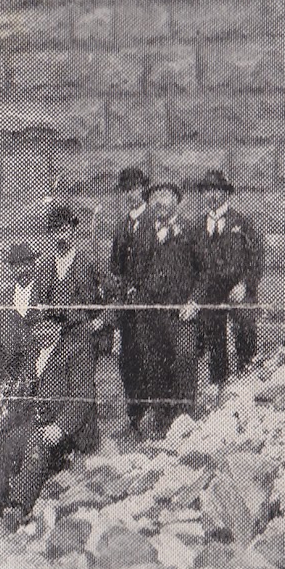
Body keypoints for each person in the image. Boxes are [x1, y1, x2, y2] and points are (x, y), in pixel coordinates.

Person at [6, 308, 101, 517]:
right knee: (8, 441)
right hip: (39, 421)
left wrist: (60, 427)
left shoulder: (76, 351)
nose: (41, 333)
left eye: (47, 327)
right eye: (37, 329)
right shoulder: (31, 354)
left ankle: (18, 507)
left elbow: (83, 397)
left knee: (37, 445)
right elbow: (22, 394)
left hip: (71, 431)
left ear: (58, 328)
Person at [141, 179, 204, 437]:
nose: (159, 201)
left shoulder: (190, 231)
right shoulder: (142, 234)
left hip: (182, 314)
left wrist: (195, 301)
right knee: (155, 366)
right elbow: (133, 272)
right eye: (155, 197)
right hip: (151, 315)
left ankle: (186, 421)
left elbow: (205, 272)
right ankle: (161, 425)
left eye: (165, 195)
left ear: (176, 200)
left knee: (186, 358)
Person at [194, 169, 262, 392]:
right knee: (213, 334)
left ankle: (246, 378)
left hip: (238, 288)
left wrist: (245, 284)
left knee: (244, 323)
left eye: (216, 191)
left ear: (225, 193)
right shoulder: (197, 227)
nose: (212, 196)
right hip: (210, 291)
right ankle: (218, 386)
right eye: (207, 191)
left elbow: (256, 258)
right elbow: (193, 265)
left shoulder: (241, 222)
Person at [109, 166, 154, 435]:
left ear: (144, 189)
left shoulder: (153, 222)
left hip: (148, 305)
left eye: (135, 188)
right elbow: (116, 268)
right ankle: (134, 416)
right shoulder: (121, 226)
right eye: (126, 189)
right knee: (128, 360)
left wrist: (142, 290)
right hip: (127, 307)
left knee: (150, 357)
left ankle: (151, 415)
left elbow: (160, 265)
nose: (130, 194)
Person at [37, 202, 107, 347]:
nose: (60, 237)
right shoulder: (45, 267)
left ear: (73, 231)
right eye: (55, 232)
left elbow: (114, 294)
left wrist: (97, 323)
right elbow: (39, 304)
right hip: (54, 343)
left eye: (64, 230)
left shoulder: (88, 263)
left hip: (84, 341)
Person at [0, 242, 43, 382]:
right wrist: (3, 374)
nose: (22, 270)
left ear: (34, 265)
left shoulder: (43, 294)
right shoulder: (2, 301)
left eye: (26, 264)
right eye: (17, 266)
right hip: (10, 378)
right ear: (11, 269)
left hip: (40, 374)